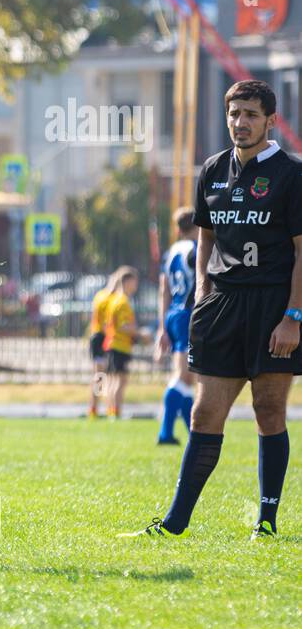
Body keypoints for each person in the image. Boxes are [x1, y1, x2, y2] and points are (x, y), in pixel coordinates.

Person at [122, 80, 300, 540]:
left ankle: (267, 521)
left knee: (268, 410)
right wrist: (202, 292)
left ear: (270, 121)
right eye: (234, 113)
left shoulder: (291, 174)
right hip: (222, 306)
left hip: (273, 306)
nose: (241, 123)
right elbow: (204, 237)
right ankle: (174, 522)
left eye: (251, 115)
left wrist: (293, 317)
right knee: (204, 414)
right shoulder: (212, 170)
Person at [154, 209, 198, 444]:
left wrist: (162, 326)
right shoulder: (197, 249)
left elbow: (164, 290)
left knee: (187, 379)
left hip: (173, 314)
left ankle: (192, 432)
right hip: (189, 316)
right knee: (183, 377)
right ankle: (166, 431)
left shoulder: (171, 252)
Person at [101, 266, 139, 419]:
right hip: (120, 346)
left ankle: (111, 411)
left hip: (112, 344)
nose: (136, 285)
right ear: (128, 281)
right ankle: (116, 412)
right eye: (135, 281)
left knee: (111, 380)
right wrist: (140, 333)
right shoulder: (122, 302)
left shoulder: (113, 300)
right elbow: (123, 326)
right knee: (120, 381)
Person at [87, 270, 123, 418]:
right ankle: (100, 408)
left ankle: (98, 408)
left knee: (101, 375)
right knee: (102, 375)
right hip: (102, 337)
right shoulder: (111, 298)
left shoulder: (99, 295)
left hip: (98, 336)